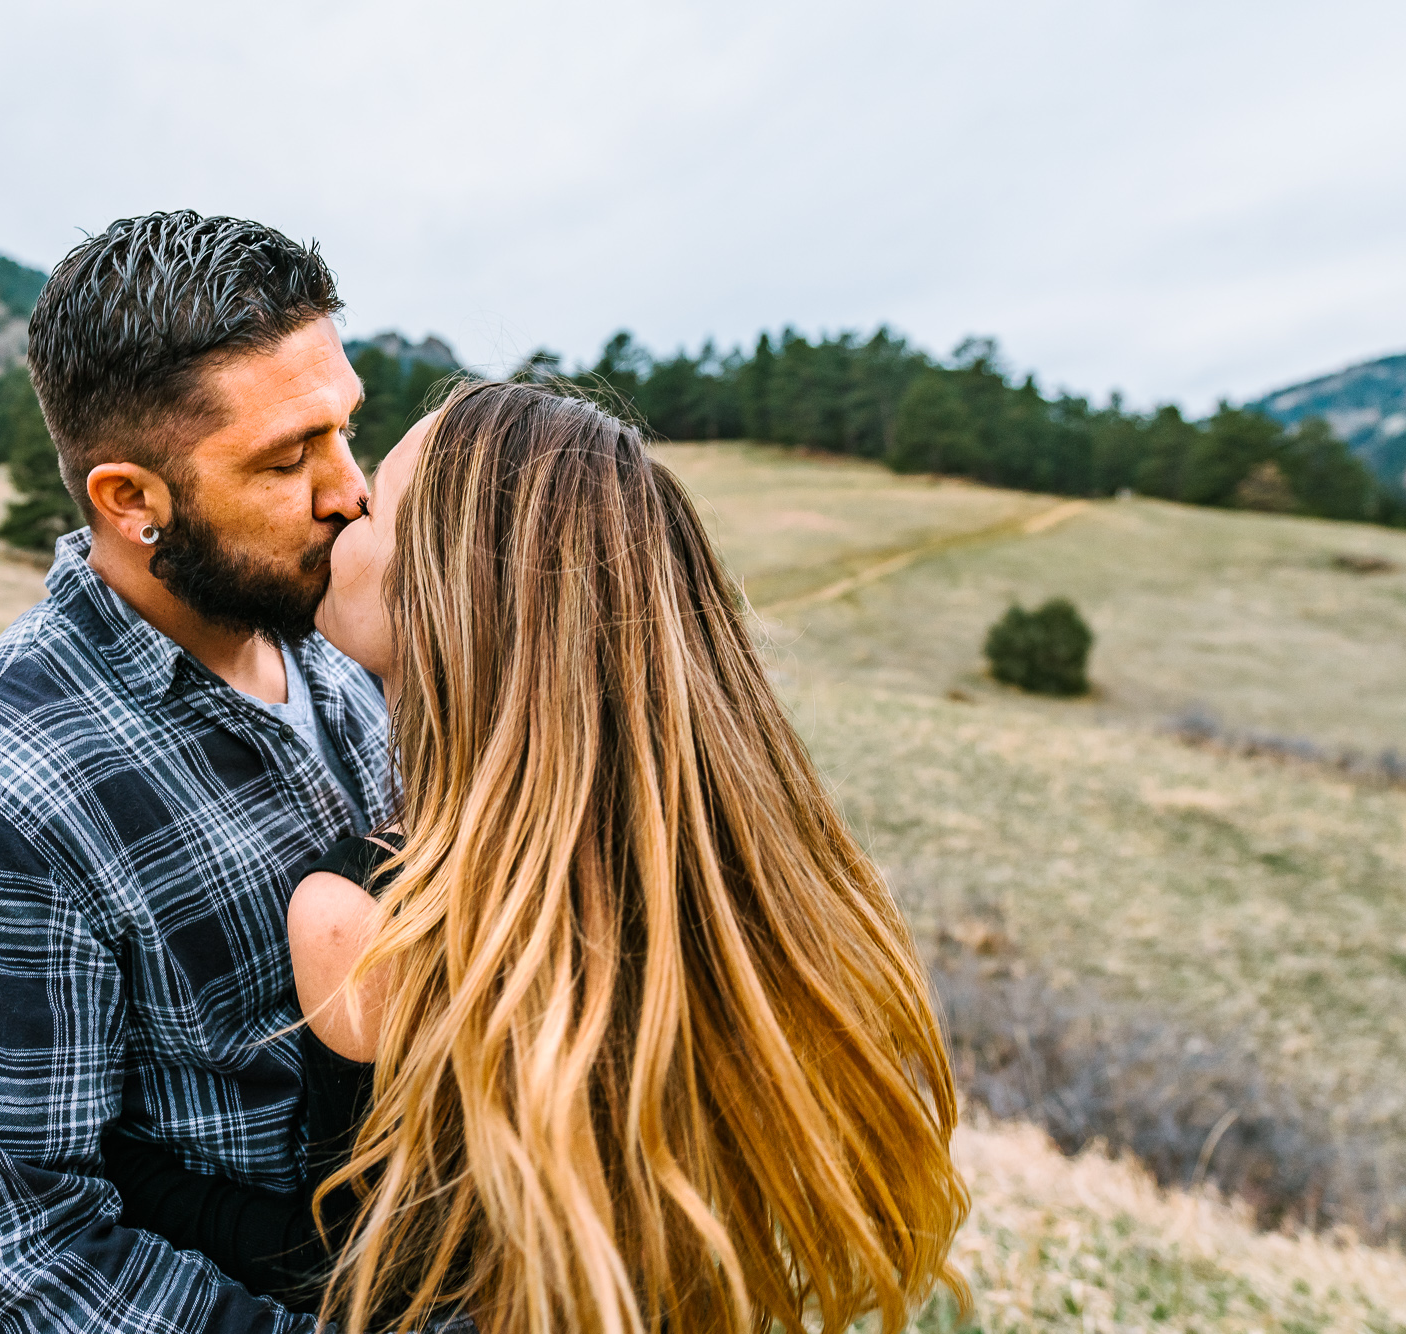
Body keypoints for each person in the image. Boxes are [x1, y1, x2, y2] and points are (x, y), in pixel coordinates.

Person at [97, 380, 972, 1334]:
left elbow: (374, 1268)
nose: (345, 502)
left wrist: (135, 1174)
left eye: (376, 505)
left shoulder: (366, 917)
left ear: (445, 591)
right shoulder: (699, 869)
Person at [0, 211, 390, 1333]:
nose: (352, 491)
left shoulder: (342, 650)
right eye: (288, 457)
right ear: (130, 500)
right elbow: (8, 1269)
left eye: (346, 429)